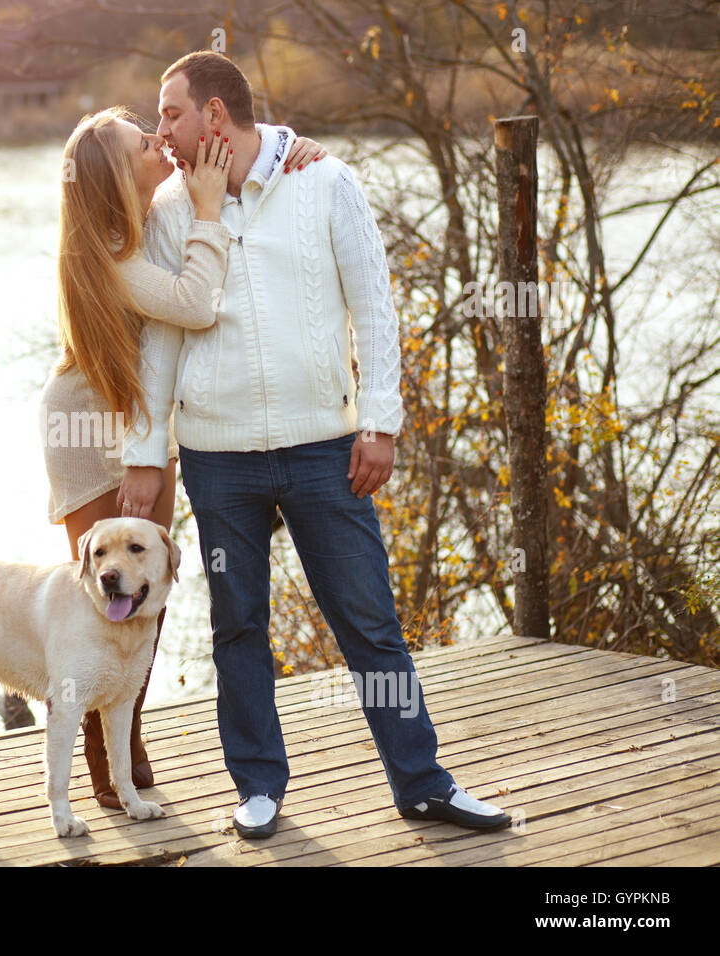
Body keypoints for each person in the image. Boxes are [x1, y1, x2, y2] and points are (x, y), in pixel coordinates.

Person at [117, 52, 512, 838]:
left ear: (215, 117)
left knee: (370, 623)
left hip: (325, 449)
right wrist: (143, 449)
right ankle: (258, 786)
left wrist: (380, 423)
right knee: (238, 625)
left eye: (170, 114)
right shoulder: (167, 208)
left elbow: (376, 308)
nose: (161, 129)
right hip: (217, 458)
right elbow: (160, 341)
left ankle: (424, 783)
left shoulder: (325, 183)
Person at [39, 105, 324, 809]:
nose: (158, 141)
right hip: (84, 423)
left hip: (142, 428)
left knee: (148, 593)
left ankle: (125, 732)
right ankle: (101, 761)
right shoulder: (106, 247)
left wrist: (290, 148)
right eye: (143, 141)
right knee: (98, 596)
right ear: (115, 171)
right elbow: (197, 303)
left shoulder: (151, 212)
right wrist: (204, 210)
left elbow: (231, 153)